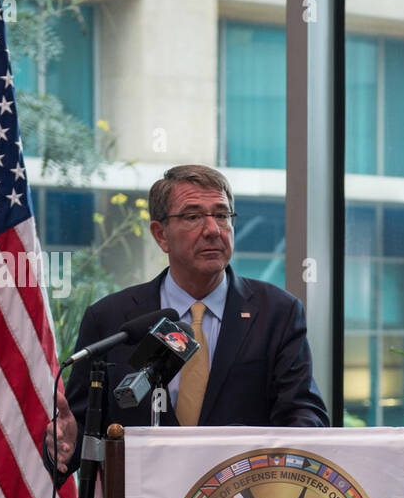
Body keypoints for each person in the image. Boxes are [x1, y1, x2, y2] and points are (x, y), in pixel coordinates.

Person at [45, 164, 327, 475]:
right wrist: (67, 443)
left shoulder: (277, 312)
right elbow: (83, 427)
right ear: (160, 234)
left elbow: (302, 412)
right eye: (193, 217)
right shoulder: (112, 319)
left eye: (221, 215)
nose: (213, 230)